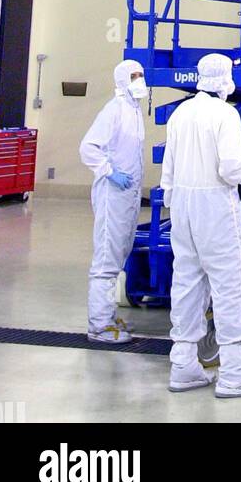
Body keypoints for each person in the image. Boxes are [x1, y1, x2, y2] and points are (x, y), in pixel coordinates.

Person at [160, 52, 241, 399]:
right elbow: (229, 168)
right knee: (228, 282)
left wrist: (171, 198)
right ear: (224, 78)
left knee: (187, 281)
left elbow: (169, 166)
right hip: (214, 206)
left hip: (181, 203)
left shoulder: (181, 112)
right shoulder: (226, 114)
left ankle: (183, 365)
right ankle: (235, 373)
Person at [80, 59, 147, 344]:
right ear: (122, 79)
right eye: (134, 76)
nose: (139, 80)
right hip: (113, 193)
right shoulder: (114, 110)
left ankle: (107, 316)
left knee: (119, 253)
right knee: (107, 260)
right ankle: (99, 326)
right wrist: (110, 172)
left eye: (141, 75)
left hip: (128, 195)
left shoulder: (133, 110)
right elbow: (88, 147)